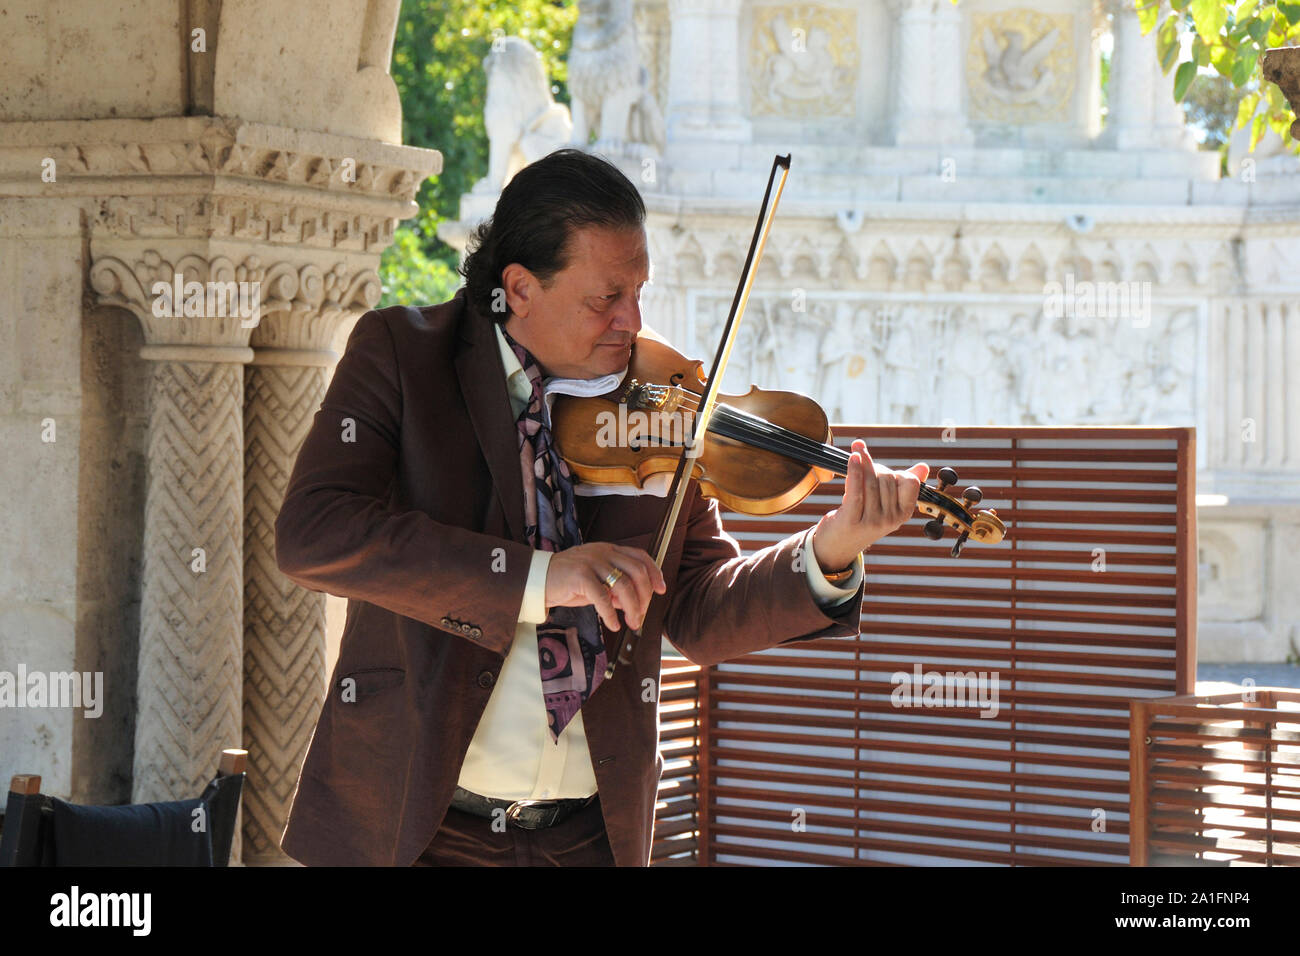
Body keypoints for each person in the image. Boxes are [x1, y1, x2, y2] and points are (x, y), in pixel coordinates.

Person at [273, 148, 928, 866]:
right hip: (420, 825)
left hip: (588, 835)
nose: (632, 322)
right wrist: (538, 578)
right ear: (519, 289)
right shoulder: (403, 356)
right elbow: (314, 532)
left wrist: (831, 547)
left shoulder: (664, 400)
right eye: (605, 298)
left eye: (640, 292)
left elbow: (700, 611)